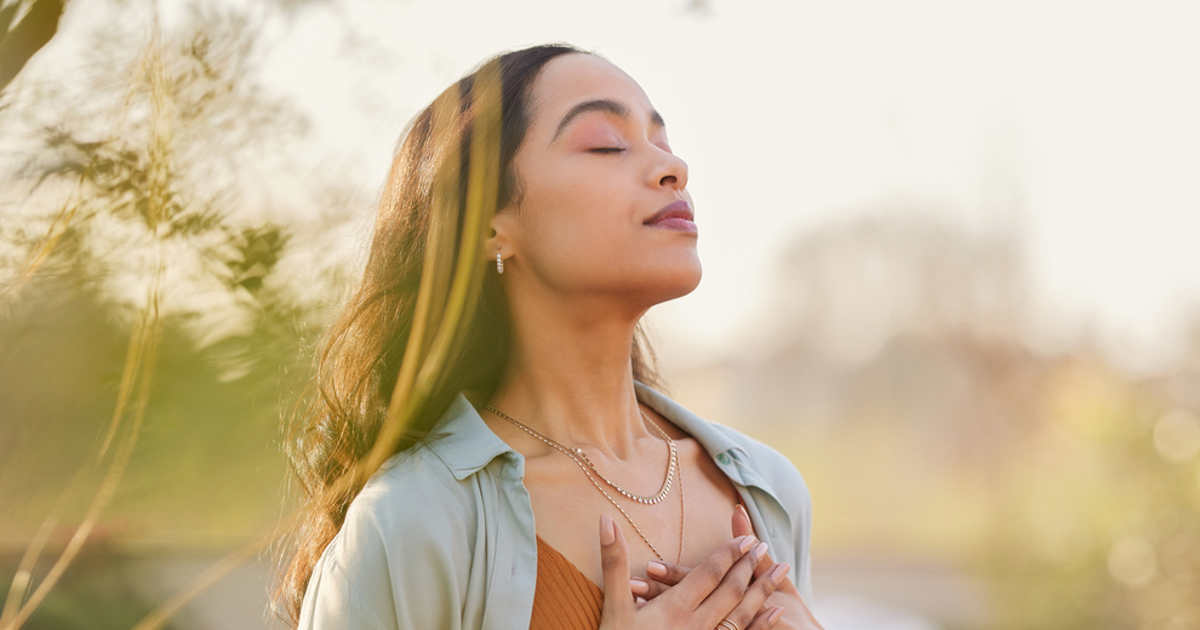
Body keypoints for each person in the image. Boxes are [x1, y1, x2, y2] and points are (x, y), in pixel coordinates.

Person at [270, 42, 824, 630]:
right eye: (606, 144)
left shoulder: (767, 491)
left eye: (663, 143)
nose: (674, 169)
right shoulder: (414, 521)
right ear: (490, 225)